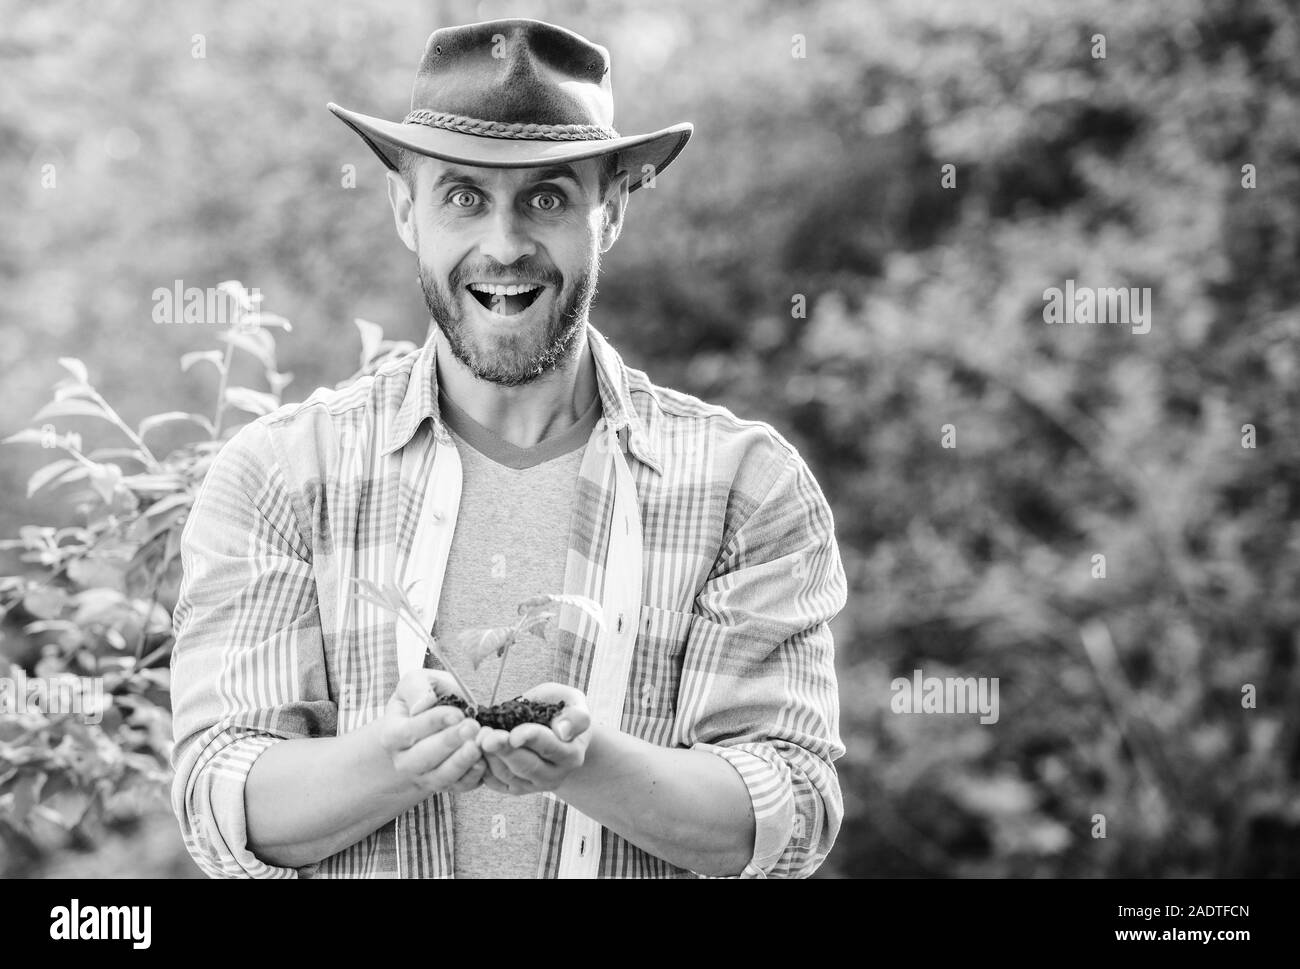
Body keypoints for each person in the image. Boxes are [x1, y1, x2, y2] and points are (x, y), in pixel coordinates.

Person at [170, 17, 847, 879]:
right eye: (462, 196)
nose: (504, 243)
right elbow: (218, 794)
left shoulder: (744, 486)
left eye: (549, 197)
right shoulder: (279, 476)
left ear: (613, 211)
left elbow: (791, 805)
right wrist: (394, 759)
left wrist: (590, 766)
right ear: (404, 208)